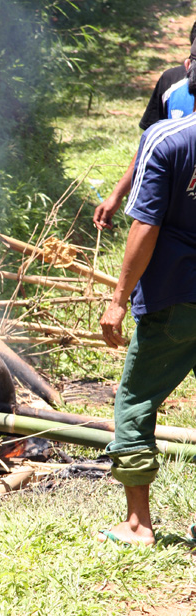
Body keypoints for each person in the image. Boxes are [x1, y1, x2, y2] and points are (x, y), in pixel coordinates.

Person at [98, 62, 196, 546]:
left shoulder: (167, 138)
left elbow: (145, 227)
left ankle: (138, 525)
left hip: (175, 299)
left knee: (136, 400)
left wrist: (118, 301)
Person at [94, 21, 196, 231]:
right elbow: (151, 148)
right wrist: (117, 194)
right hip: (172, 208)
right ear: (189, 61)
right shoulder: (171, 83)